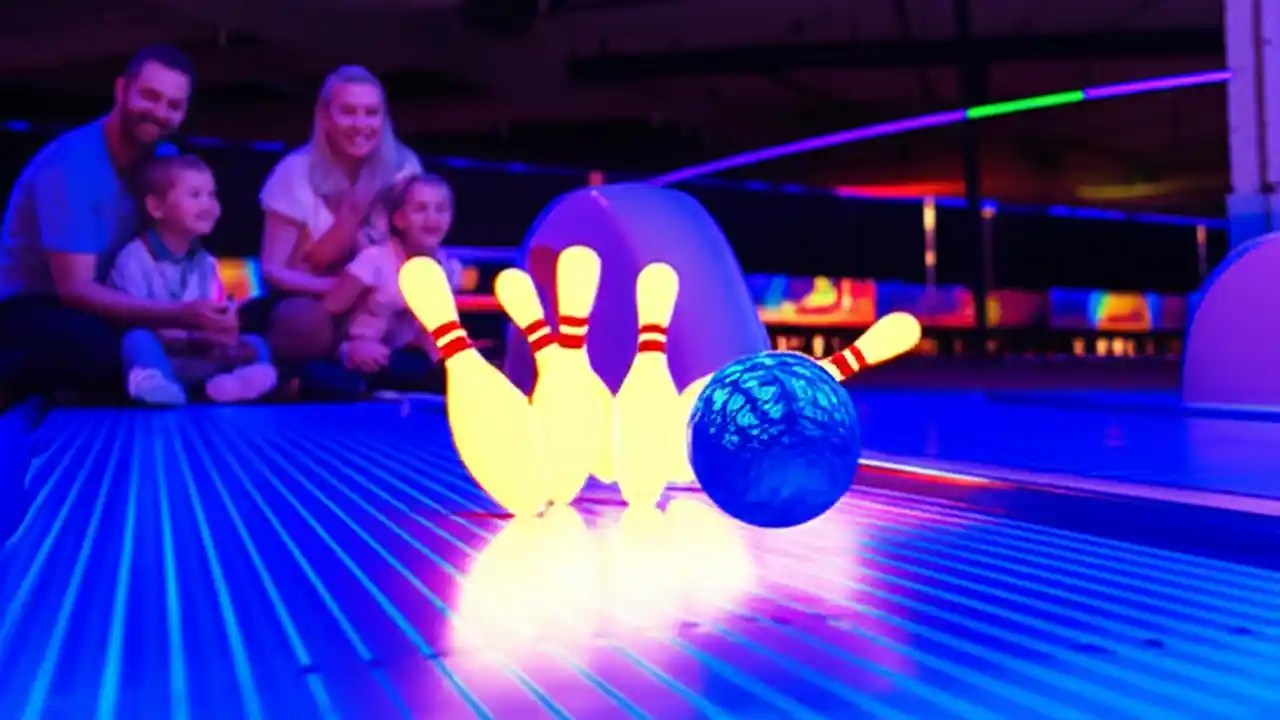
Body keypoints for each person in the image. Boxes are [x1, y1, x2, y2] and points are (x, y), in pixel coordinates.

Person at [0, 45, 237, 400]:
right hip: (32, 304)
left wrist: (207, 318)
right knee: (99, 351)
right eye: (150, 96)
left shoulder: (164, 161)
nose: (160, 112)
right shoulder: (71, 165)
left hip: (111, 303)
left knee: (186, 347)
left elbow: (173, 254)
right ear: (122, 90)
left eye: (173, 105)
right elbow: (75, 291)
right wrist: (180, 315)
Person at [246, 65, 424, 367]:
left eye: (371, 113)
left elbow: (417, 250)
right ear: (325, 116)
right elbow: (273, 270)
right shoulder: (294, 171)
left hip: (383, 303)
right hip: (312, 302)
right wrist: (342, 286)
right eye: (348, 112)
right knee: (302, 322)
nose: (360, 124)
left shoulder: (404, 169)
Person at [108, 154, 277, 405]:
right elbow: (132, 318)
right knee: (137, 340)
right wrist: (187, 338)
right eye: (195, 195)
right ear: (156, 207)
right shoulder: (133, 259)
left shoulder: (208, 263)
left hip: (194, 353)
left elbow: (216, 316)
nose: (209, 205)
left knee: (256, 344)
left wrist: (223, 332)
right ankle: (154, 384)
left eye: (212, 195)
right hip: (160, 354)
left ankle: (227, 385)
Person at [299, 174, 458, 400]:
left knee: (438, 372)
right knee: (326, 378)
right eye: (421, 209)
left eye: (441, 209)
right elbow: (327, 316)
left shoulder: (450, 269)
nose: (432, 218)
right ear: (400, 219)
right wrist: (349, 349)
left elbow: (433, 336)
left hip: (402, 359)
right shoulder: (374, 260)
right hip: (354, 357)